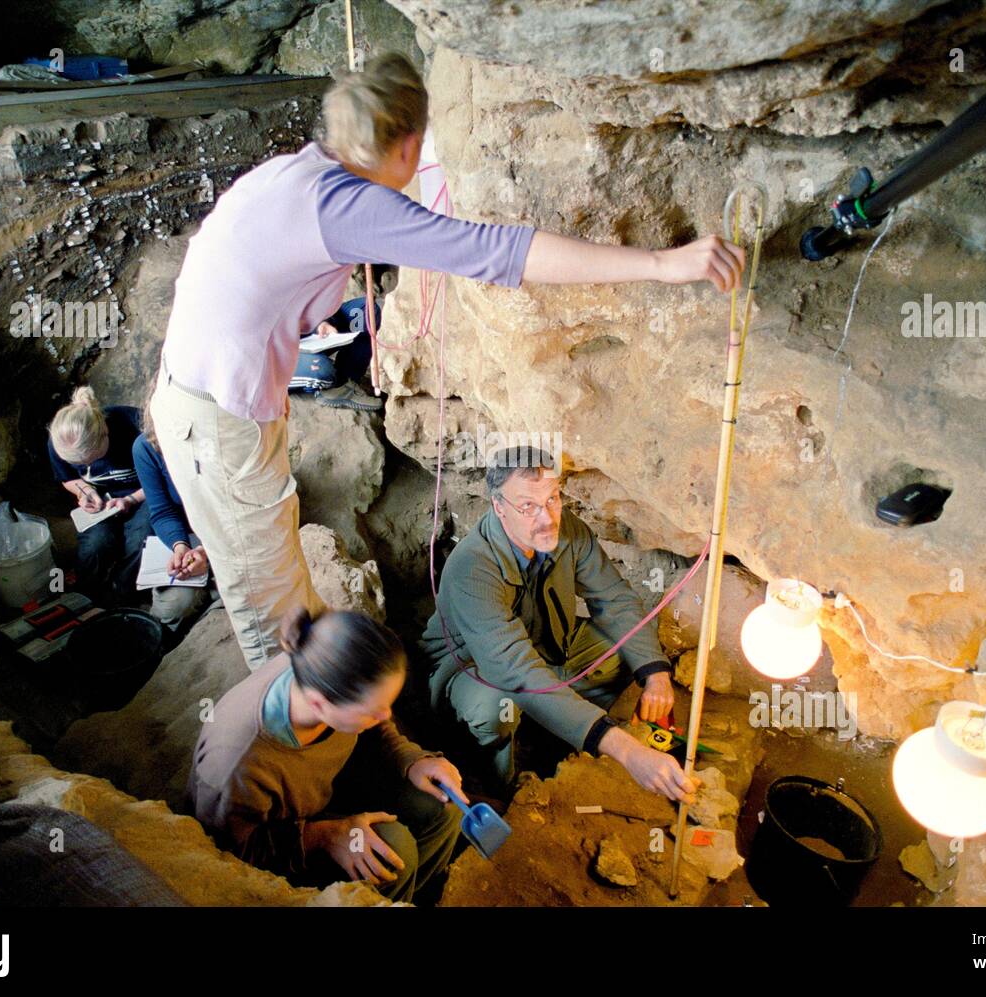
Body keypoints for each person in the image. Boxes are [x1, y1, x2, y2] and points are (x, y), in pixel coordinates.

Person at [150, 51, 745, 674]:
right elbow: (492, 251)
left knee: (281, 587)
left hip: (201, 395)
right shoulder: (346, 206)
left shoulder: (294, 174)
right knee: (271, 611)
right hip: (218, 423)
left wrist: (298, 314)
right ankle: (293, 749)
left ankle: (331, 712)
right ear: (408, 146)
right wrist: (660, 264)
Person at [420, 446, 699, 804]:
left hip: (544, 642)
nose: (546, 518)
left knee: (620, 654)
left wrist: (655, 674)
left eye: (552, 499)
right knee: (495, 708)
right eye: (528, 506)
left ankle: (557, 732)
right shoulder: (471, 568)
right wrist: (625, 750)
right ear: (498, 507)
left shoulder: (568, 530)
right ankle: (498, 781)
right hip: (474, 665)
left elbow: (614, 599)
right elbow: (515, 671)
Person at [187, 608, 466, 903]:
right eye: (373, 711)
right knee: (392, 856)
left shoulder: (324, 671)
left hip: (326, 783)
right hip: (280, 836)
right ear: (320, 705)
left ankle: (414, 895)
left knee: (444, 801)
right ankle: (391, 893)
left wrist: (411, 759)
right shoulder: (236, 766)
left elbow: (376, 719)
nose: (386, 715)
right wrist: (323, 835)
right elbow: (231, 853)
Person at [47, 386, 151, 603]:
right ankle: (85, 598)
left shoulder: (135, 425)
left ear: (105, 432)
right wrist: (85, 491)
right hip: (102, 502)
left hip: (146, 493)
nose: (87, 467)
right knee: (95, 544)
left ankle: (123, 594)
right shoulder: (60, 441)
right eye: (80, 464)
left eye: (91, 460)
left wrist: (132, 499)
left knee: (140, 542)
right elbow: (68, 479)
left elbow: (166, 476)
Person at [131, 411, 217, 631]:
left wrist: (207, 551)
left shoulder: (217, 435)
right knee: (171, 609)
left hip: (229, 530)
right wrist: (180, 547)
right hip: (188, 534)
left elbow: (242, 506)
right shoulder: (146, 448)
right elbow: (162, 511)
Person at [289, 295, 384, 412]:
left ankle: (344, 381)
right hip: (274, 360)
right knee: (321, 368)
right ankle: (325, 381)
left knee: (365, 310)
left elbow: (309, 300)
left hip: (304, 334)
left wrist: (322, 322)